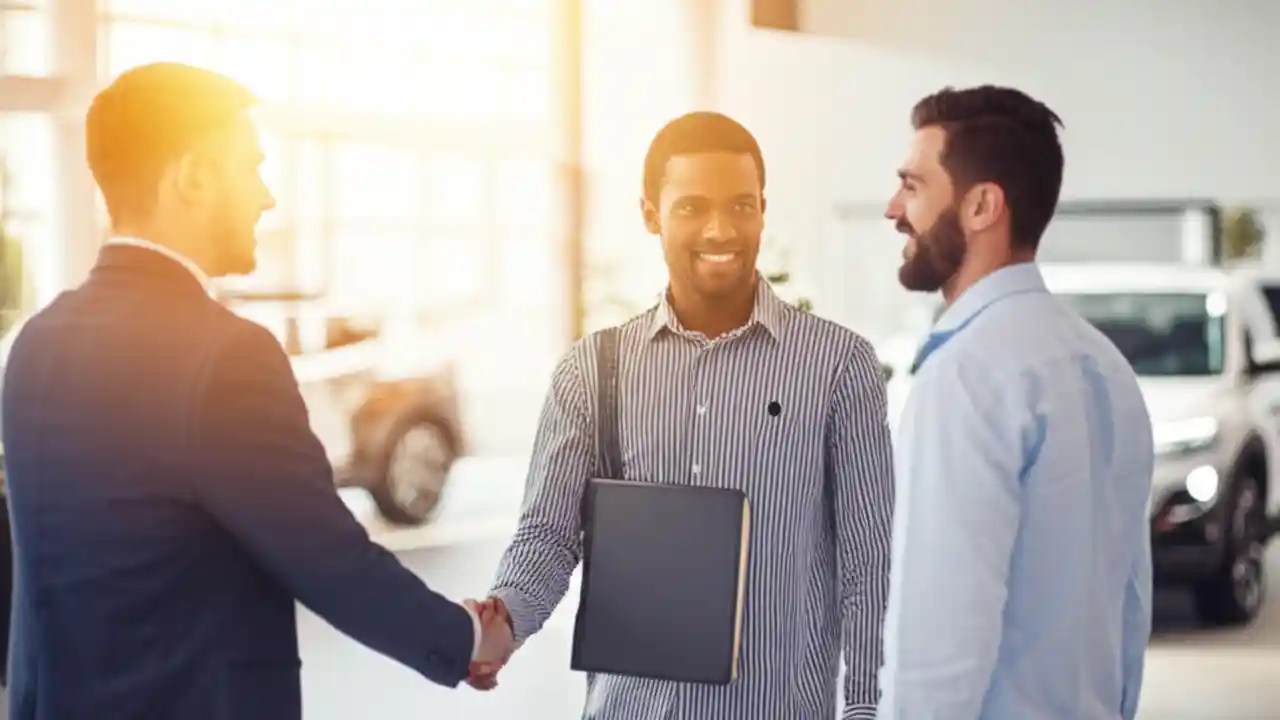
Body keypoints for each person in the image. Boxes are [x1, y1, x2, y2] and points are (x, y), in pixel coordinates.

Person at [0, 62, 512, 719]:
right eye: (250, 167)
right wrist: (465, 636)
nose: (266, 198)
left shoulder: (37, 344)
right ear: (192, 177)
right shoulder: (223, 355)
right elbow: (325, 554)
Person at [468, 111, 895, 719]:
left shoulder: (837, 366)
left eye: (741, 206)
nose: (721, 229)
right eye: (692, 207)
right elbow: (548, 535)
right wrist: (500, 624)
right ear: (651, 214)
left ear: (763, 209)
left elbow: (868, 564)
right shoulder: (593, 371)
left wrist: (864, 707)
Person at [877, 85, 1154, 719]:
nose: (894, 207)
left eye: (913, 186)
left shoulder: (966, 375)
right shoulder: (1104, 364)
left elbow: (937, 639)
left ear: (981, 206)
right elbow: (1131, 605)